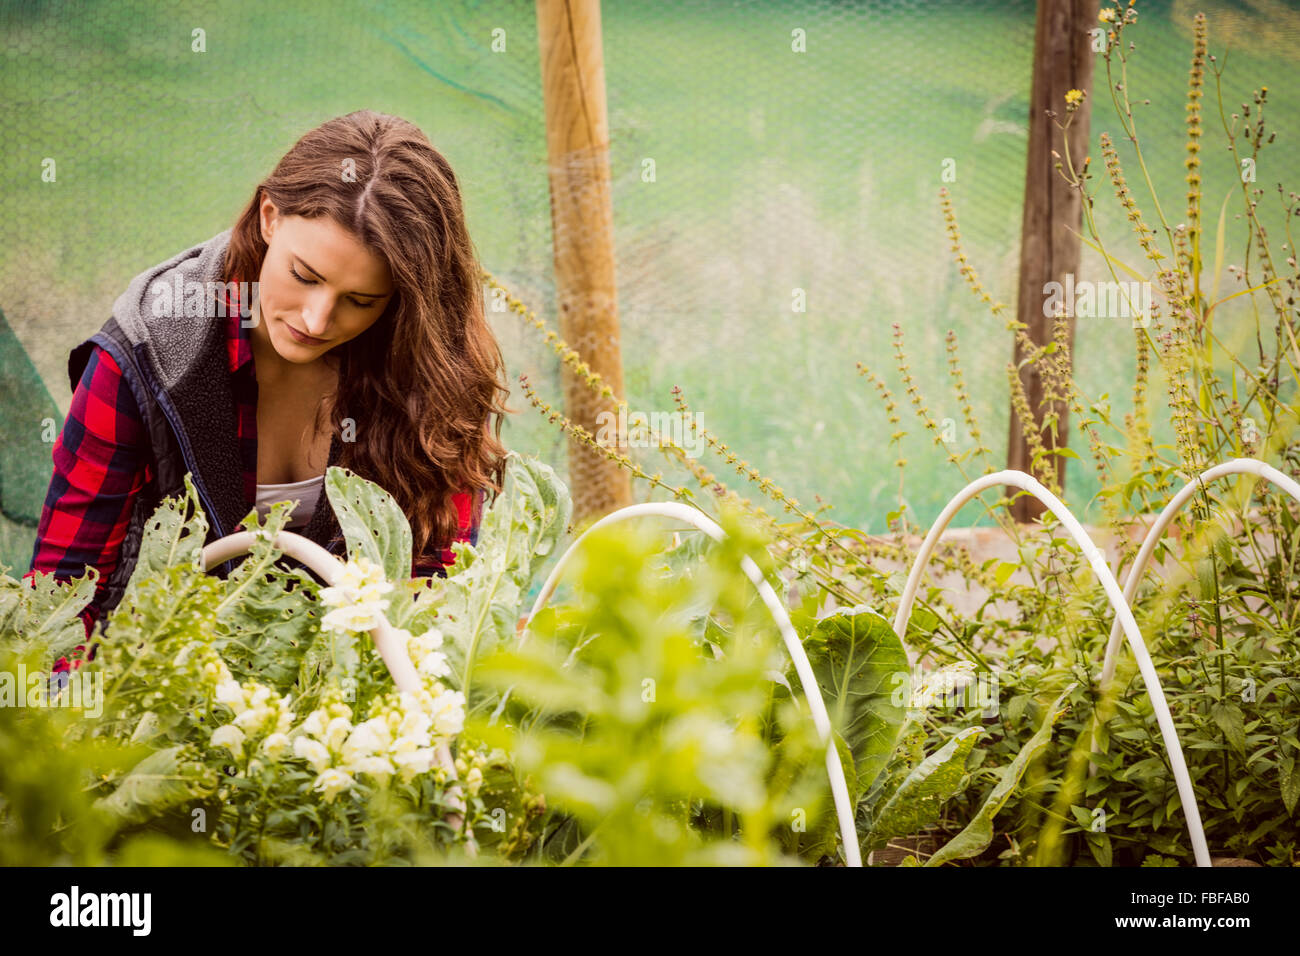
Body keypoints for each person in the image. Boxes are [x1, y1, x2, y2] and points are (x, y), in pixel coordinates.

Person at [25, 110, 509, 672]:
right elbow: (63, 593)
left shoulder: (427, 362)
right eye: (304, 275)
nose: (317, 318)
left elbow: (438, 582)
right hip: (163, 691)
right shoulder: (146, 353)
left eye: (361, 301)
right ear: (270, 216)